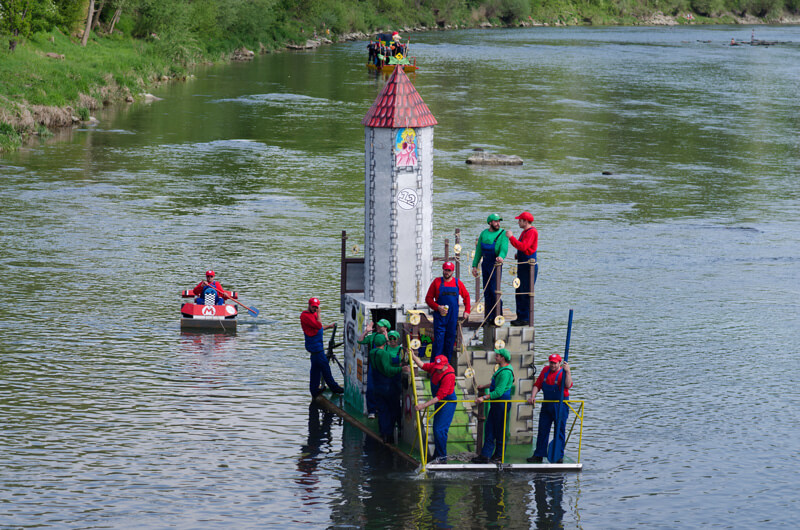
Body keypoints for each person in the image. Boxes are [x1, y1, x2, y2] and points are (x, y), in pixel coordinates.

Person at [527, 354, 573, 463]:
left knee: (559, 431)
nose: (552, 365)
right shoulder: (545, 370)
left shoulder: (563, 373)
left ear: (559, 363)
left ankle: (558, 456)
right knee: (542, 430)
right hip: (547, 404)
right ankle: (539, 454)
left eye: (555, 363)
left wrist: (568, 372)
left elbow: (568, 385)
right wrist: (533, 396)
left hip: (560, 405)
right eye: (551, 362)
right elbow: (537, 385)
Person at [472, 348, 515, 463]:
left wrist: (483, 397)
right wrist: (484, 386)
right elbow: (495, 384)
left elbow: (499, 391)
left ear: (503, 358)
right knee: (490, 428)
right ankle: (485, 455)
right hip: (496, 404)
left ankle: (498, 455)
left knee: (500, 430)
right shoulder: (501, 369)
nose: (495, 357)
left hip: (501, 404)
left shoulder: (506, 372)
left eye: (497, 356)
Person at [413, 353, 456, 464]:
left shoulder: (449, 375)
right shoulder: (436, 367)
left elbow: (439, 396)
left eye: (440, 369)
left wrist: (423, 406)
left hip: (447, 403)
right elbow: (423, 365)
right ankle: (437, 455)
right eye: (437, 368)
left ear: (446, 365)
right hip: (439, 402)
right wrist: (413, 356)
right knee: (436, 429)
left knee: (439, 430)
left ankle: (442, 458)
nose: (438, 370)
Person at [425, 261, 471, 366]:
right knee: (438, 342)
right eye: (445, 270)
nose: (446, 272)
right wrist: (437, 307)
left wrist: (467, 311)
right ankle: (434, 366)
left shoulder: (457, 283)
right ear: (443, 270)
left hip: (452, 318)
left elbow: (466, 297)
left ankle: (446, 366)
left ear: (452, 271)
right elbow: (428, 299)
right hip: (440, 318)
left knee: (450, 342)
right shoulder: (436, 282)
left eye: (449, 270)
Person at [301, 297, 344, 398]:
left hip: (318, 346)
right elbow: (318, 325)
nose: (315, 309)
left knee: (315, 368)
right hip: (315, 346)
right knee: (325, 367)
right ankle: (334, 387)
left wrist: (329, 326)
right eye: (313, 307)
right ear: (309, 305)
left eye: (316, 307)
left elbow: (319, 327)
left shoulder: (313, 314)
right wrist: (319, 314)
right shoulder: (305, 316)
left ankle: (314, 390)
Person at [370, 332, 409, 443]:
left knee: (382, 411)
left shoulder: (373, 352)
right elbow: (388, 370)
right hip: (389, 386)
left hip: (377, 386)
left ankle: (383, 433)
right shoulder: (385, 354)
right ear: (385, 342)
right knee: (393, 410)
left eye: (394, 338)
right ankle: (390, 435)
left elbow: (384, 364)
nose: (391, 340)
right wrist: (401, 369)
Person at [471, 214, 509, 321]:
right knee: (486, 291)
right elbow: (479, 251)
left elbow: (504, 248)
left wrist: (501, 257)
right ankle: (488, 316)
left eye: (499, 221)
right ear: (490, 222)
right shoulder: (483, 233)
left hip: (495, 265)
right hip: (485, 264)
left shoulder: (503, 233)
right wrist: (474, 265)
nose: (498, 223)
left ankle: (498, 315)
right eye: (496, 221)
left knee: (494, 290)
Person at [505, 211, 538, 326]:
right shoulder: (525, 231)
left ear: (525, 221)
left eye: (520, 220)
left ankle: (525, 318)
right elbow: (524, 247)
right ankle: (520, 316)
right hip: (523, 264)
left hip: (528, 266)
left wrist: (511, 237)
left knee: (525, 291)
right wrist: (518, 255)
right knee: (519, 290)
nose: (518, 222)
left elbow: (523, 246)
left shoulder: (532, 232)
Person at [359, 318, 391, 419]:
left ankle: (383, 410)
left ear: (385, 328)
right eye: (377, 325)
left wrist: (387, 338)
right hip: (374, 366)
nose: (377, 327)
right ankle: (371, 410)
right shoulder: (373, 336)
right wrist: (366, 331)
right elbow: (360, 341)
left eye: (380, 326)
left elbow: (392, 349)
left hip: (385, 367)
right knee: (371, 388)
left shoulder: (391, 337)